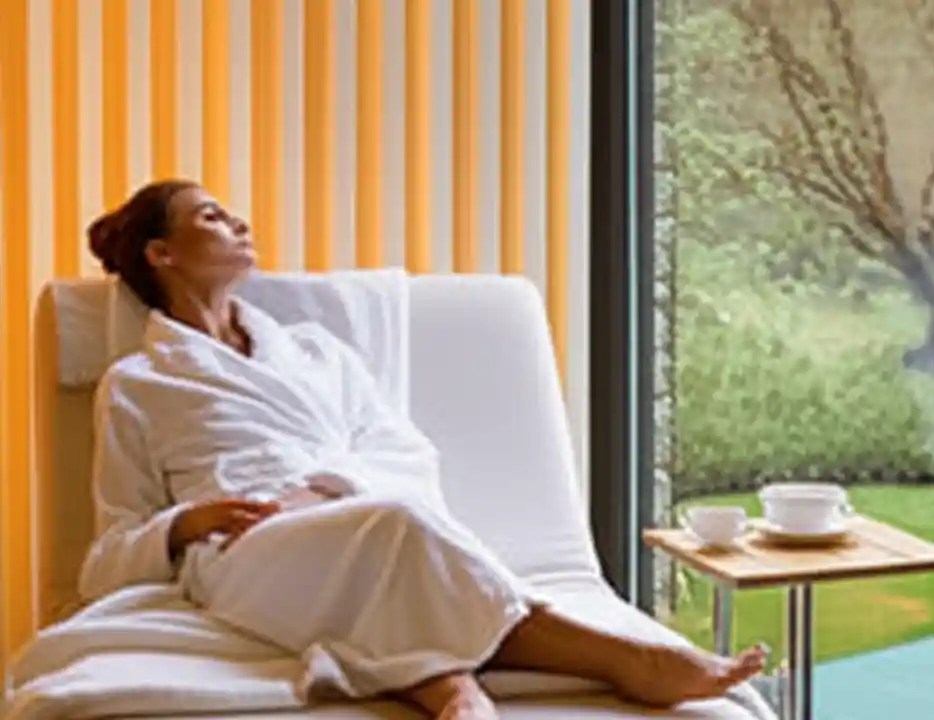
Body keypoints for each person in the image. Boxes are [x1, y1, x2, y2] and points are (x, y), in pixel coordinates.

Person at [81, 179, 766, 720]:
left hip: (349, 516)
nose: (239, 224)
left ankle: (452, 692)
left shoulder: (316, 353)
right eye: (210, 216)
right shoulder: (139, 383)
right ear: (160, 253)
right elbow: (109, 551)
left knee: (391, 522)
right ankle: (624, 661)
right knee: (395, 526)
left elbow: (402, 452)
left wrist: (321, 489)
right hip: (244, 554)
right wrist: (186, 525)